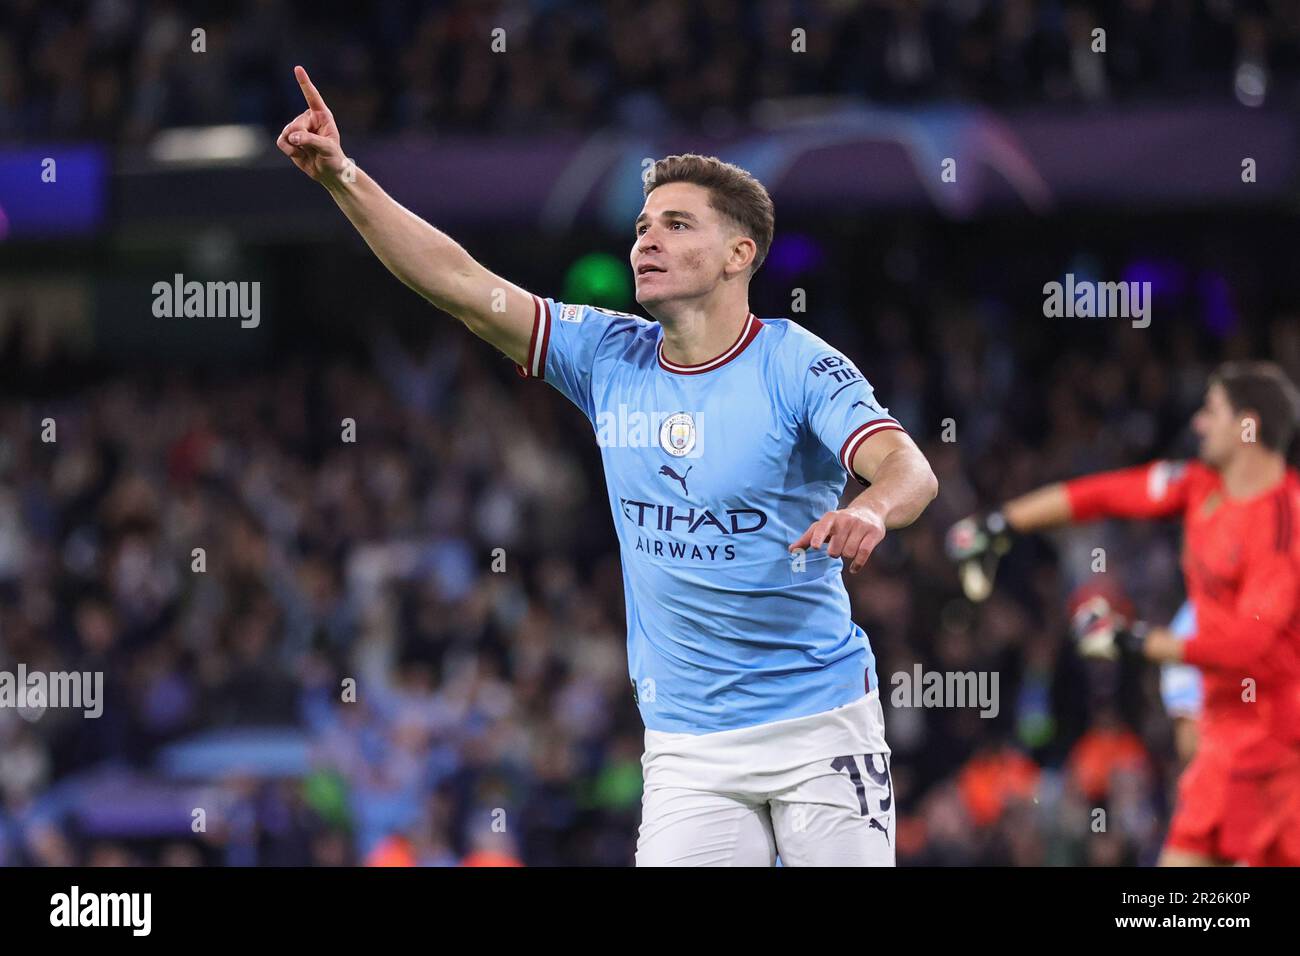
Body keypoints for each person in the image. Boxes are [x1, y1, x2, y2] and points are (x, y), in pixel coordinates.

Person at [277, 67, 938, 866]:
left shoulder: (796, 366)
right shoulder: (606, 355)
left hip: (818, 728)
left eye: (676, 225)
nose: (646, 241)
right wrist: (344, 177)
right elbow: (460, 284)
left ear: (740, 254)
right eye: (642, 225)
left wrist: (870, 508)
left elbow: (907, 466)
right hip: (689, 748)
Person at [947, 360, 1300, 866]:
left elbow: (1251, 644)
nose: (1198, 422)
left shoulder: (1285, 528)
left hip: (1279, 756)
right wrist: (1003, 522)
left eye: (1212, 411)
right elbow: (1107, 493)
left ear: (1249, 426)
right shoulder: (1201, 486)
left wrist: (1135, 641)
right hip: (1224, 744)